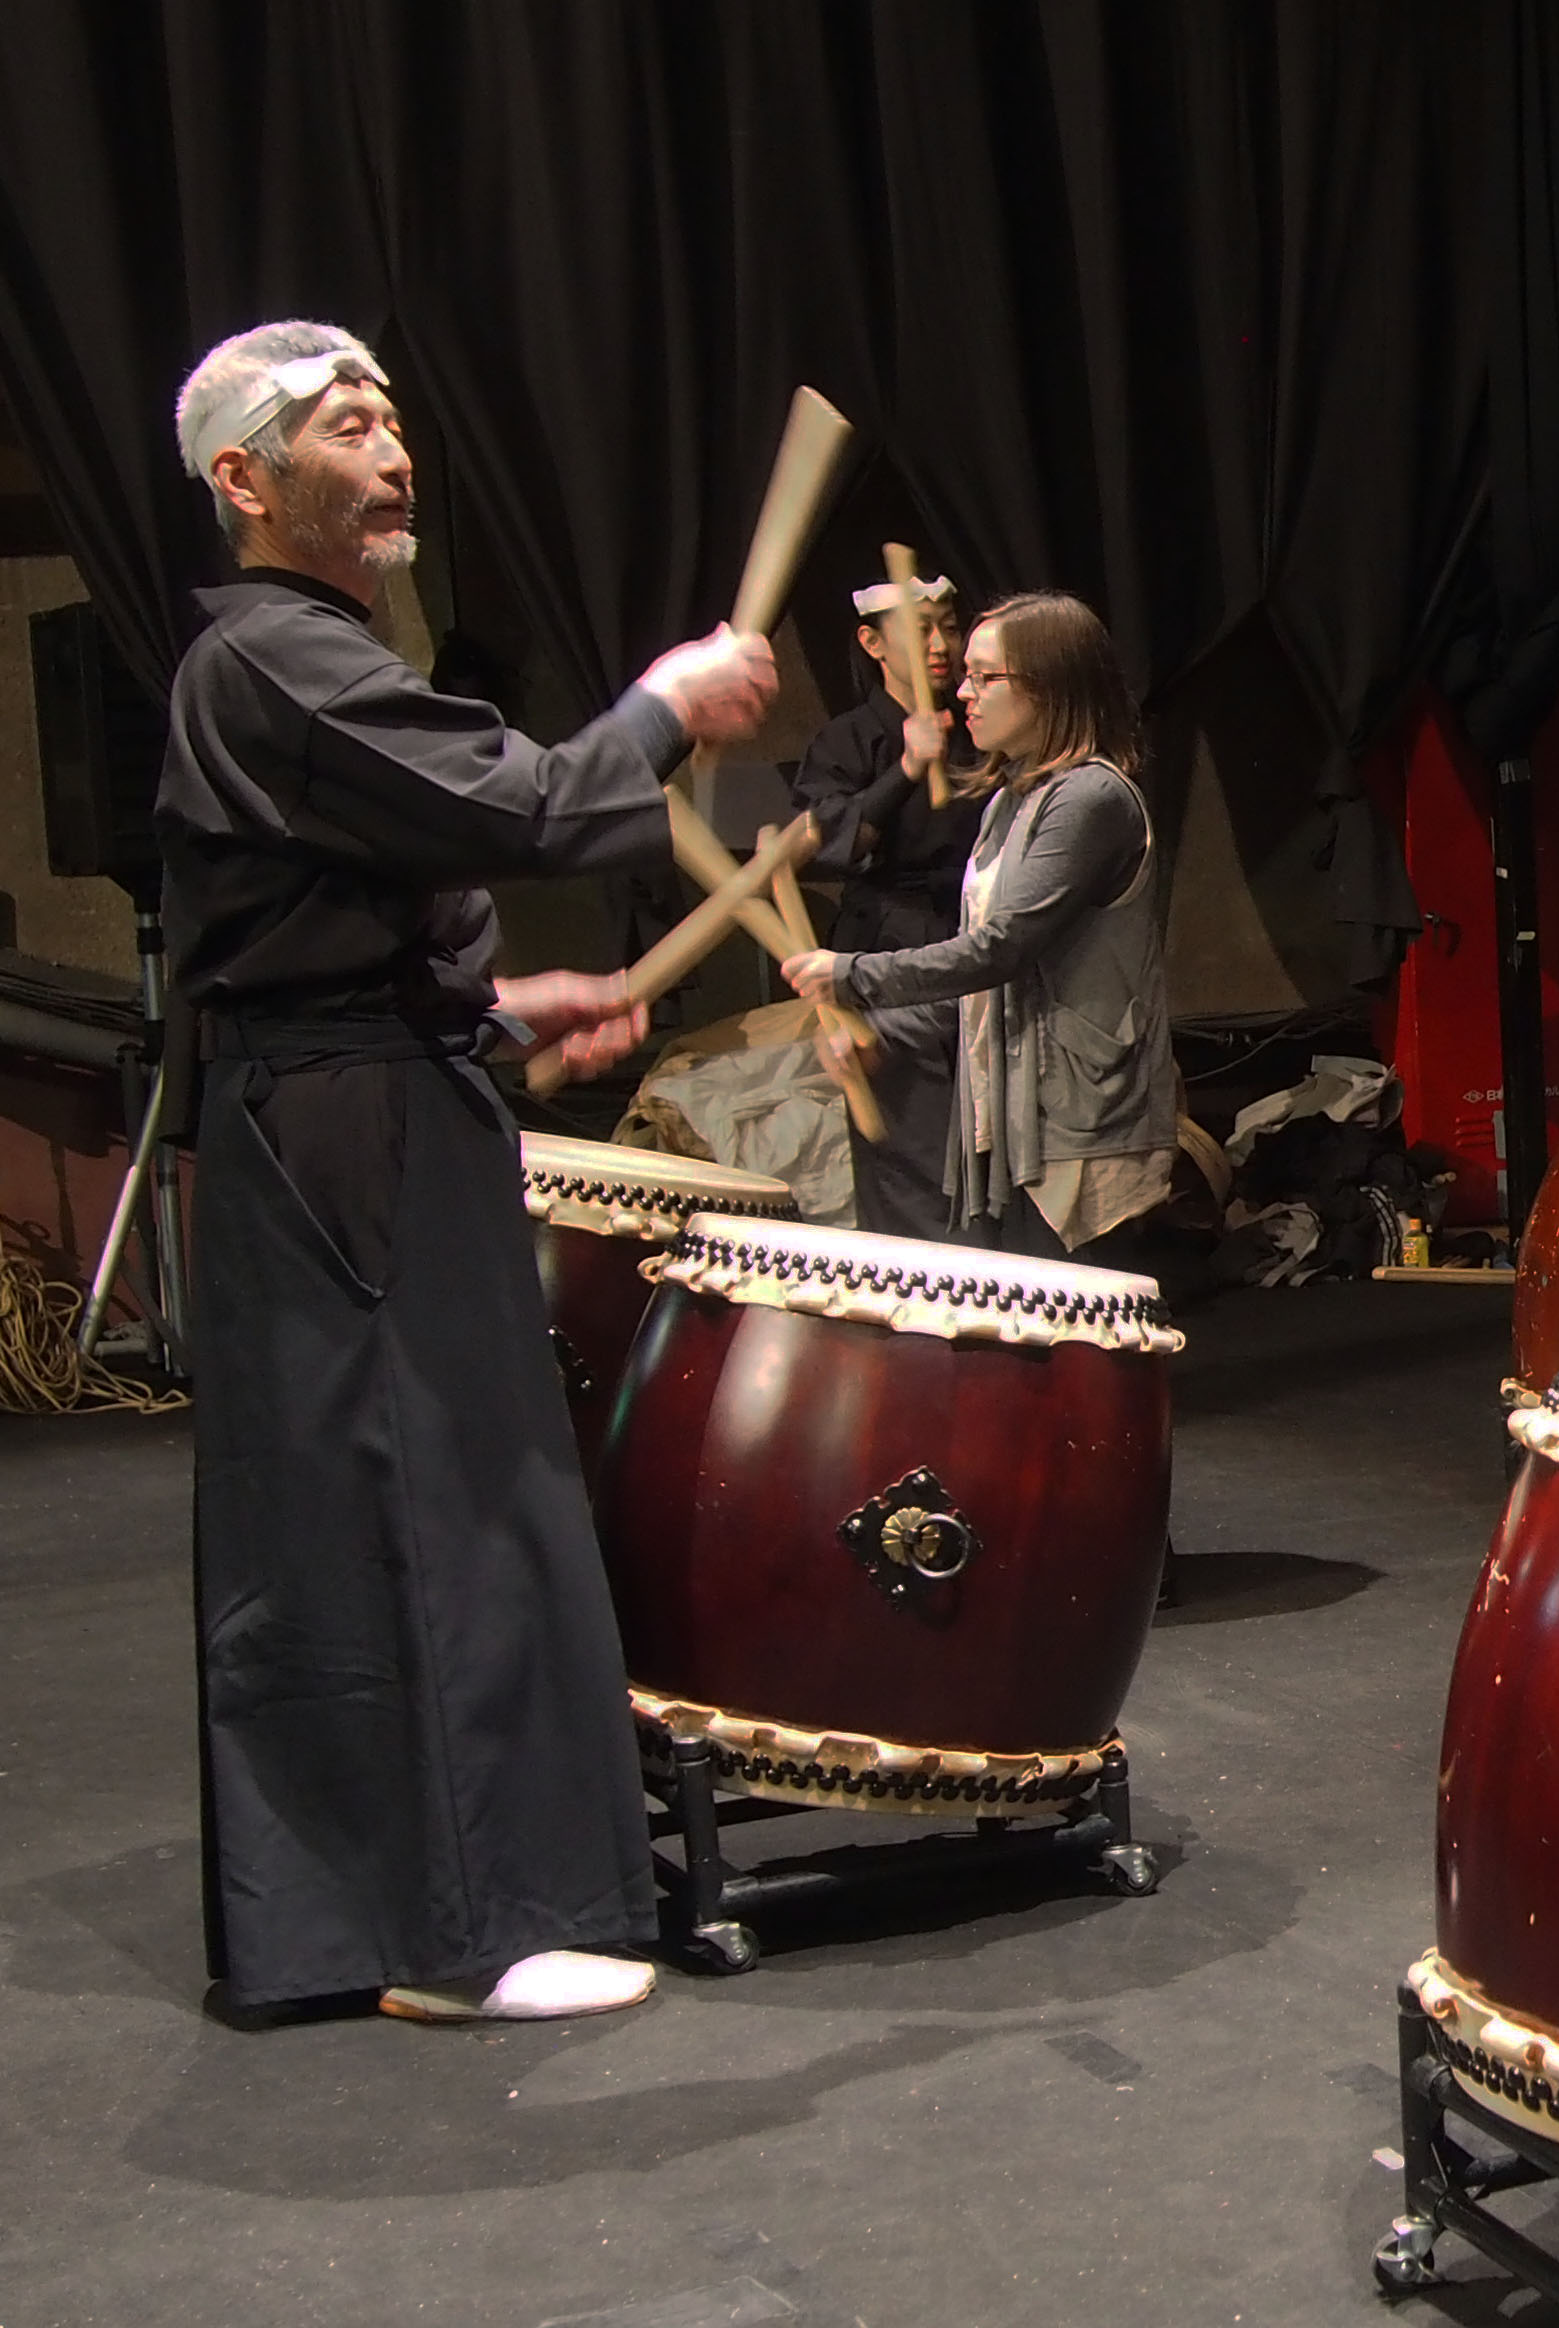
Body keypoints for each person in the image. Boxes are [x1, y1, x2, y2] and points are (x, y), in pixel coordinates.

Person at [161, 320, 778, 2024]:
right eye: (347, 423)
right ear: (245, 479)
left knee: (439, 1486)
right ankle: (453, 1925)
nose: (393, 449)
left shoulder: (303, 659)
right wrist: (662, 707)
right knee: (418, 1498)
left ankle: (449, 1901)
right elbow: (525, 804)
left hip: (369, 1098)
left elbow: (322, 930)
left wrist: (496, 1012)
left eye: (395, 418)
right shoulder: (278, 657)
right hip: (345, 1134)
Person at [783, 592, 1174, 1269]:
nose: (963, 692)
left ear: (1050, 686)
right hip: (1015, 1109)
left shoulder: (1090, 800)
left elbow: (999, 952)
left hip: (1076, 1117)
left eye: (986, 677)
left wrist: (851, 975)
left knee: (1073, 1338)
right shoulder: (1011, 801)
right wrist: (880, 1030)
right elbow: (993, 985)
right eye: (967, 673)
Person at [786, 569, 984, 1237]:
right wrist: (903, 769)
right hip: (885, 949)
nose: (940, 644)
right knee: (908, 1152)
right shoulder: (848, 741)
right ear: (872, 643)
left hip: (977, 942)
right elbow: (829, 846)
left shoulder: (980, 729)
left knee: (985, 1147)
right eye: (920, 630)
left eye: (949, 627)